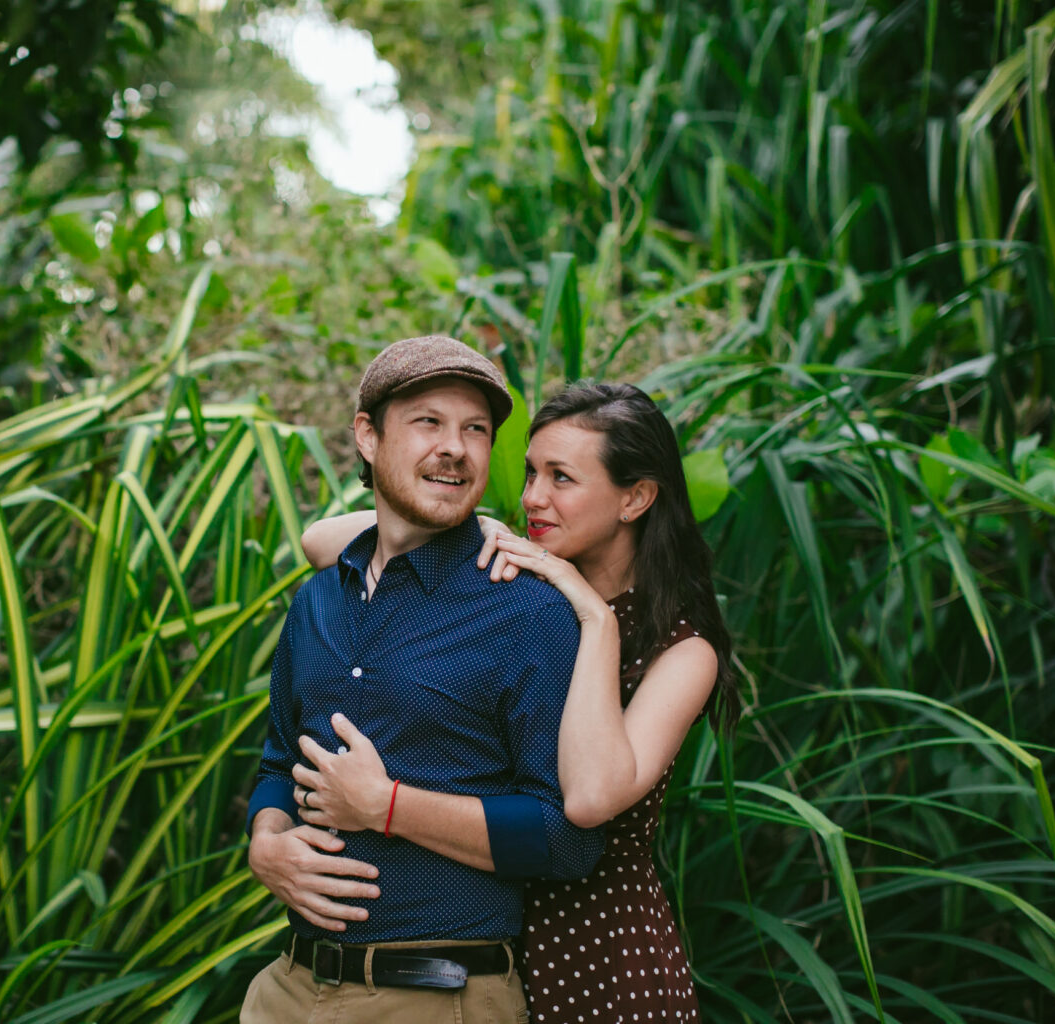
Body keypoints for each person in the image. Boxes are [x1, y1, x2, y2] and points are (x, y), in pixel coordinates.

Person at [296, 381, 739, 1023]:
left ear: (636, 497)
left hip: (598, 955)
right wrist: (469, 523)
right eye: (531, 473)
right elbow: (320, 542)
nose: (533, 497)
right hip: (472, 941)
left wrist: (595, 618)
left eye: (561, 478)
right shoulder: (512, 575)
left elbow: (588, 799)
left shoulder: (682, 652)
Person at [241, 335, 605, 1024]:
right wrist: (266, 842)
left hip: (439, 996)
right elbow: (276, 760)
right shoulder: (316, 602)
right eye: (428, 423)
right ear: (368, 437)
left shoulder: (527, 609)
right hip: (286, 991)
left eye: (475, 430)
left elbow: (567, 839)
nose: (456, 448)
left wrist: (387, 805)